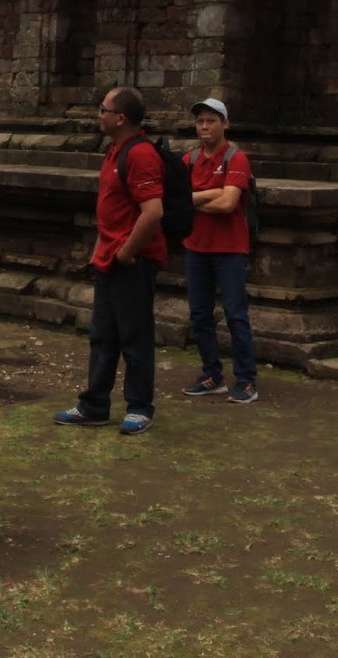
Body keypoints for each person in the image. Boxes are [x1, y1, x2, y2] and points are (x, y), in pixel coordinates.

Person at [55, 86, 166, 435]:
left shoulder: (141, 154)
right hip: (110, 258)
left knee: (134, 337)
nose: (98, 114)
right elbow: (114, 209)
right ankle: (94, 405)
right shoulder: (115, 151)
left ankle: (139, 406)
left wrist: (126, 252)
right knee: (102, 335)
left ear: (120, 118)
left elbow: (153, 212)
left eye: (103, 109)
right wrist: (102, 249)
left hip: (131, 261)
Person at [180, 98, 259, 404]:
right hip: (196, 246)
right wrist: (215, 192)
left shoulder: (236, 158)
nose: (204, 126)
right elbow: (178, 202)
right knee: (199, 314)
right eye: (200, 121)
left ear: (225, 124)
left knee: (236, 315)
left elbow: (229, 204)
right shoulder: (188, 160)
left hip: (229, 248)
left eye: (211, 120)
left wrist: (195, 199)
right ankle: (212, 374)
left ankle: (246, 379)